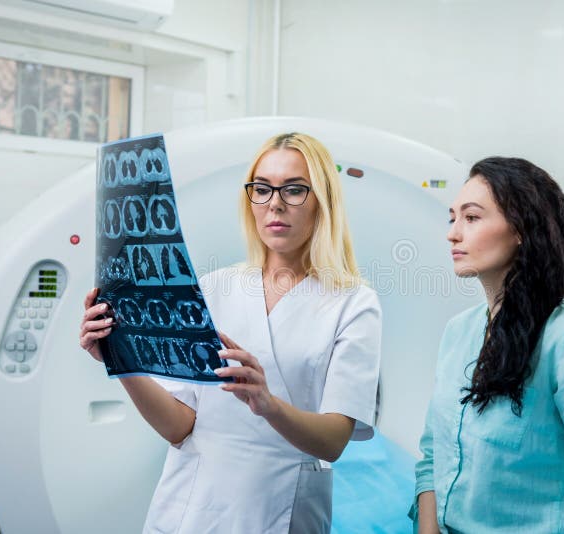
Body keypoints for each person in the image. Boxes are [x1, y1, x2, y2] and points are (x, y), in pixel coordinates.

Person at [80, 132, 381, 533]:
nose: (275, 203)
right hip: (193, 505)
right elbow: (178, 426)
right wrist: (120, 360)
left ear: (321, 200)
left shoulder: (353, 302)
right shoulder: (212, 288)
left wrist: (266, 402)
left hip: (280, 507)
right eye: (262, 189)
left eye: (293, 189)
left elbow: (334, 441)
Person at [412, 157, 564, 533]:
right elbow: (431, 458)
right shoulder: (458, 333)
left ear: (521, 229)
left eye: (471, 218)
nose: (453, 233)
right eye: (452, 217)